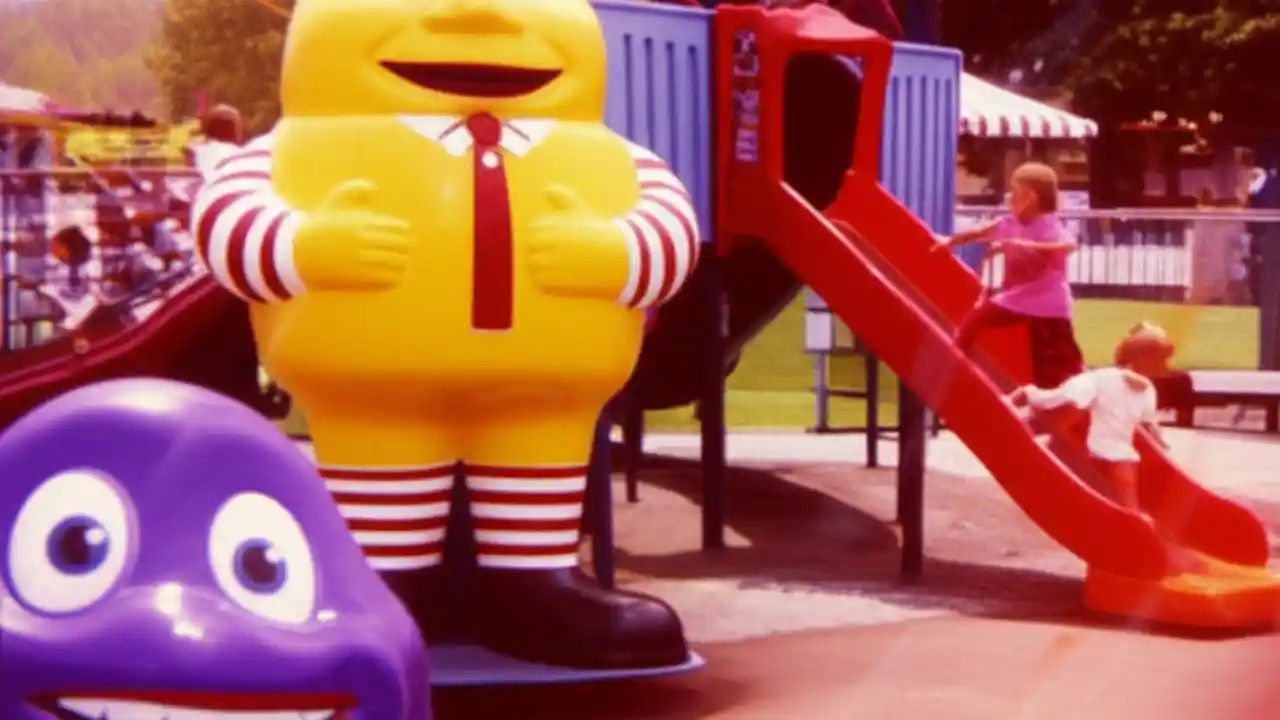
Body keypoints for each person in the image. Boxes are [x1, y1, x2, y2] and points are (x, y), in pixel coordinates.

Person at [938, 162, 1084, 389]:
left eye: (1015, 192)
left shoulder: (1048, 226)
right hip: (1021, 299)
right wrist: (950, 241)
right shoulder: (1009, 224)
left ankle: (1075, 386)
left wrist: (1028, 246)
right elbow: (979, 233)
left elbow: (1067, 246)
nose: (1009, 198)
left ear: (1030, 198)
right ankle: (956, 355)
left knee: (1061, 358)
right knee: (980, 316)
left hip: (1048, 302)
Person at [1008, 332, 1169, 516]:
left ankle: (1130, 513)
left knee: (1125, 466)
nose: (1163, 368)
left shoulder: (1148, 391)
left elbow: (1147, 423)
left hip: (1115, 444)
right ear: (1142, 358)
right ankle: (1132, 514)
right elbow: (1067, 398)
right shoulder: (1104, 378)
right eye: (1159, 361)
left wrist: (1159, 440)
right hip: (1105, 445)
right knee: (1123, 467)